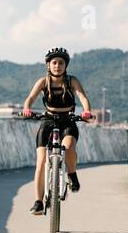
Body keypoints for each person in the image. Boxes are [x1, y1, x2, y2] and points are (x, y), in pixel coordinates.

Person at [20, 47, 92, 215]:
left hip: (68, 120)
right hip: (48, 120)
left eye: (61, 63)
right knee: (41, 161)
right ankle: (38, 202)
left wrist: (87, 111)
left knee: (69, 148)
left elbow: (82, 97)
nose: (57, 66)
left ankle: (72, 174)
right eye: (54, 63)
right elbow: (30, 98)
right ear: (48, 65)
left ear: (65, 65)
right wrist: (27, 109)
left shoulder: (72, 81)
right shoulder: (43, 82)